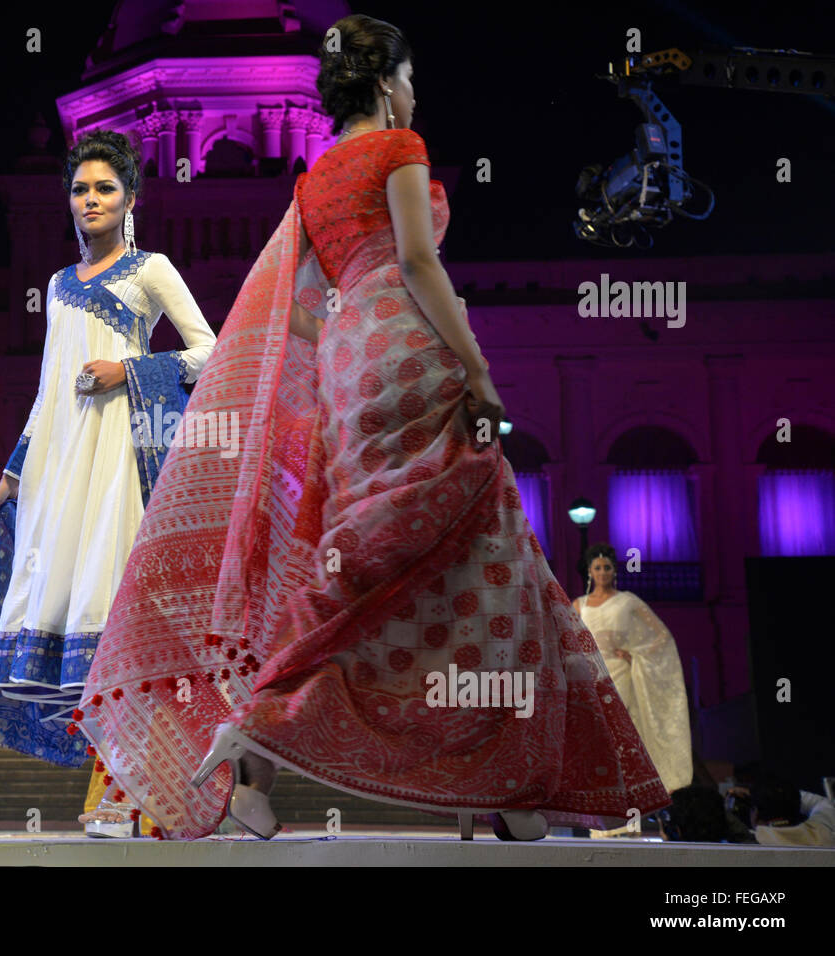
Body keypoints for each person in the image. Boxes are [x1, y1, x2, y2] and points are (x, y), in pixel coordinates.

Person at [76, 14, 669, 841]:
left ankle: (256, 759)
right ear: (387, 81)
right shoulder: (401, 150)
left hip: (349, 372)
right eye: (413, 78)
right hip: (411, 347)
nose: (417, 93)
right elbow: (421, 263)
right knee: (487, 551)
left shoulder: (312, 180)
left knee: (359, 557)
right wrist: (479, 370)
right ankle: (514, 781)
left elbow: (306, 314)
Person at [0, 131, 216, 836]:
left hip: (120, 463)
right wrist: (13, 472)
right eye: (81, 190)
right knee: (69, 628)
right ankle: (116, 785)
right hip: (64, 472)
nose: (91, 200)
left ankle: (128, 792)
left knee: (110, 618)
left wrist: (132, 370)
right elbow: (48, 390)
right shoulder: (58, 285)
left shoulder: (149, 270)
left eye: (105, 189)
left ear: (130, 199)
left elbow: (210, 350)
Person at [574, 543, 694, 813]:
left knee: (623, 732)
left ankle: (633, 797)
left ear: (614, 570)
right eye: (597, 567)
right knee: (596, 733)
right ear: (590, 571)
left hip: (620, 674)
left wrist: (635, 654)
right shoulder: (579, 605)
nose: (603, 572)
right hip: (591, 676)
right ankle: (600, 797)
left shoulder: (628, 601)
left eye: (607, 567)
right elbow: (571, 640)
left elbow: (662, 636)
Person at [749, 775, 835, 847]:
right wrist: (780, 795)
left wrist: (764, 796)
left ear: (756, 813)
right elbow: (821, 803)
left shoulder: (753, 842)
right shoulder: (822, 831)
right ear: (799, 803)